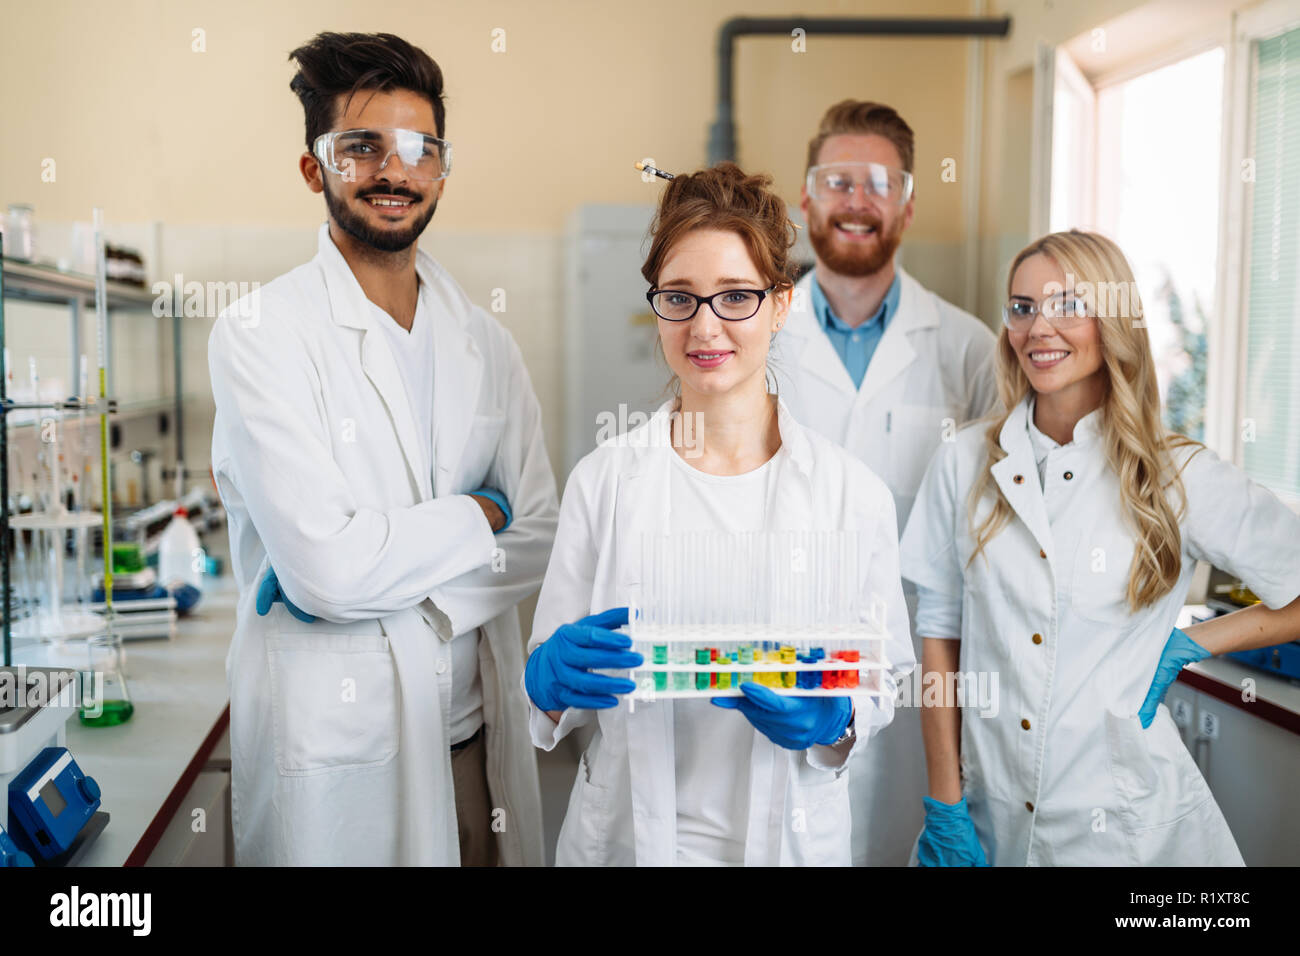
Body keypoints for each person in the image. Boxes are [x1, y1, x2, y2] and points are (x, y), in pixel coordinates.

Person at [207, 32, 558, 865]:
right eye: (361, 148)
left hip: (468, 742)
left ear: (440, 168)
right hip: (337, 762)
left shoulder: (486, 342)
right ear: (313, 168)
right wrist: (476, 513)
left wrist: (406, 599)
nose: (393, 173)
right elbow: (327, 570)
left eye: (417, 150)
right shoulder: (260, 334)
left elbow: (541, 530)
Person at [522, 163, 914, 866]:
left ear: (781, 303)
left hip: (790, 840)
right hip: (626, 840)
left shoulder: (852, 495)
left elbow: (881, 675)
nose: (705, 327)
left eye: (736, 296)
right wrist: (547, 680)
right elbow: (555, 699)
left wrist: (838, 712)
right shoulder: (604, 482)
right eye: (680, 297)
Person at [900, 229, 1300, 865]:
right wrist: (946, 805)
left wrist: (1195, 643)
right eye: (1023, 307)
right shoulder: (965, 461)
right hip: (990, 816)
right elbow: (940, 637)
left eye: (1068, 305)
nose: (1039, 328)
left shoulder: (1176, 474)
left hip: (1130, 832)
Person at [771, 100, 998, 865]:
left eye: (879, 182)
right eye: (838, 181)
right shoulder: (755, 335)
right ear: (806, 199)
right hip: (788, 657)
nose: (857, 201)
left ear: (907, 203)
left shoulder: (969, 350)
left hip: (919, 671)